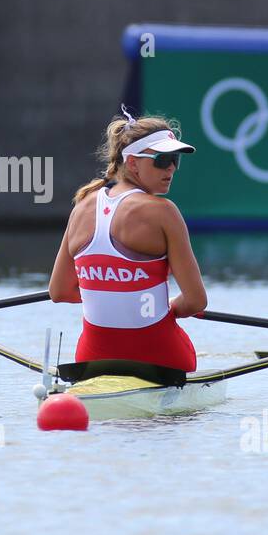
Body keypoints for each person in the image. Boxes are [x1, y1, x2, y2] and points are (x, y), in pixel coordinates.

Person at [49, 108, 206, 372]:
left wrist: (109, 295)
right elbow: (196, 301)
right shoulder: (164, 212)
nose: (171, 168)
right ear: (132, 163)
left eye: (175, 160)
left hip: (91, 361)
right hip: (161, 359)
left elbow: (59, 292)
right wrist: (162, 306)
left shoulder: (81, 207)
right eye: (161, 159)